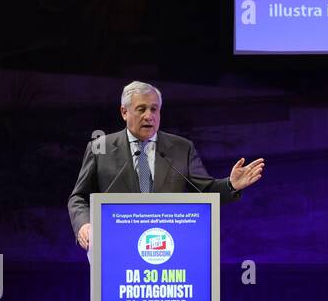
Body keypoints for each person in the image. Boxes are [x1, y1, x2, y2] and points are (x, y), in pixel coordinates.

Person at [68, 81, 265, 253]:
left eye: (154, 109)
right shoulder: (100, 148)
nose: (149, 116)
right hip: (116, 247)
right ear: (124, 112)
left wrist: (231, 185)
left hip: (169, 248)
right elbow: (79, 197)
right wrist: (84, 225)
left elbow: (205, 191)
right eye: (141, 109)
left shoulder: (181, 148)